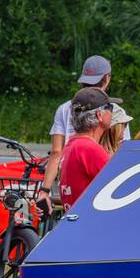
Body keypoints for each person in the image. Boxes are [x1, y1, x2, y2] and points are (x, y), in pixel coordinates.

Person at [39, 55, 120, 212]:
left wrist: (45, 190)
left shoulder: (66, 110)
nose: (110, 111)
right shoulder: (91, 147)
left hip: (70, 177)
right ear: (107, 78)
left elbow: (56, 152)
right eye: (109, 109)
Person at [58, 87, 120, 211]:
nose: (112, 113)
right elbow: (118, 191)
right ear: (99, 115)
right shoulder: (90, 150)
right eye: (110, 108)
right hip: (91, 225)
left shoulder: (71, 146)